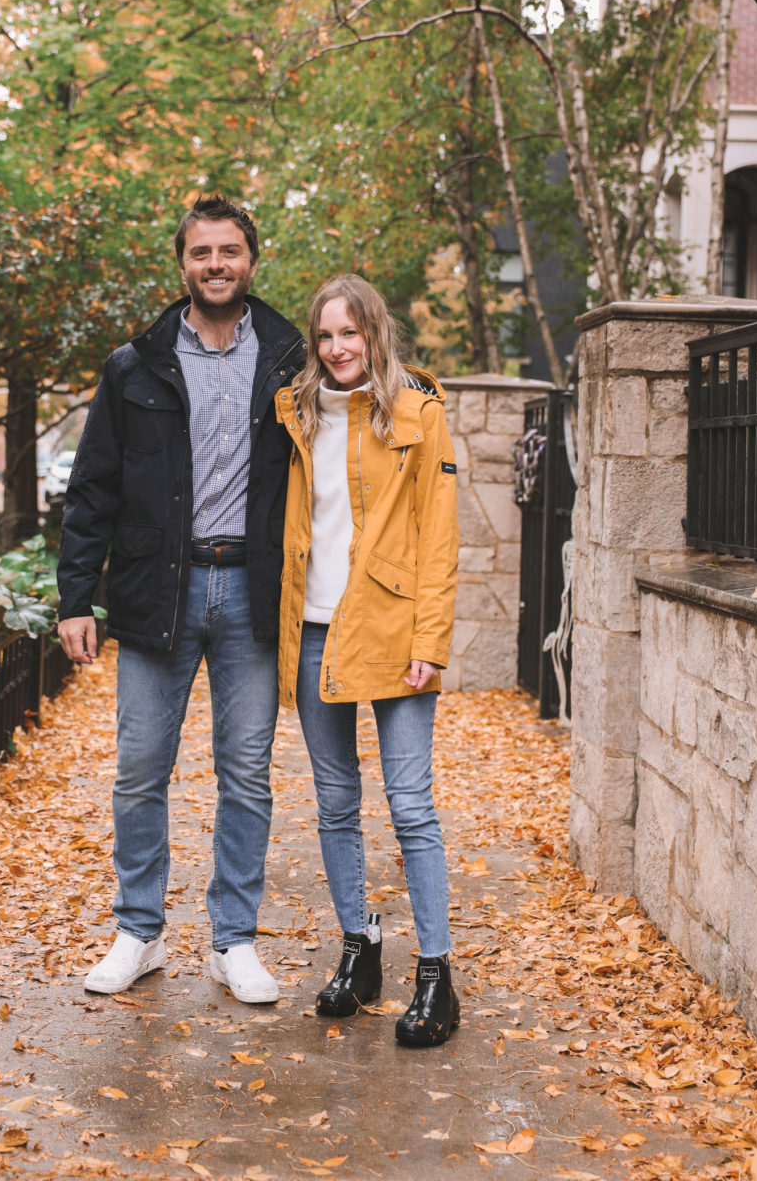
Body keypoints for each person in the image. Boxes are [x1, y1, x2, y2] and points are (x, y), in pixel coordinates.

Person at [57, 195, 305, 1004]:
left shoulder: (290, 358)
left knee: (246, 773)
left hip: (252, 592)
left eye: (230, 251)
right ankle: (141, 931)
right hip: (157, 587)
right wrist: (74, 599)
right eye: (202, 253)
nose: (217, 265)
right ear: (183, 264)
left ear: (251, 260)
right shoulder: (136, 364)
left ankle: (233, 941)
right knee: (139, 770)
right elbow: (92, 487)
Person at [274, 273, 460, 1047]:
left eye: (350, 333)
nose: (338, 347)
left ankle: (437, 975)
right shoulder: (297, 412)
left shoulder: (418, 413)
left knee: (411, 806)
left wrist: (430, 643)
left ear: (374, 334)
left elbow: (439, 539)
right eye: (325, 335)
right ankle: (361, 948)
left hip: (393, 630)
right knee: (336, 801)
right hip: (317, 630)